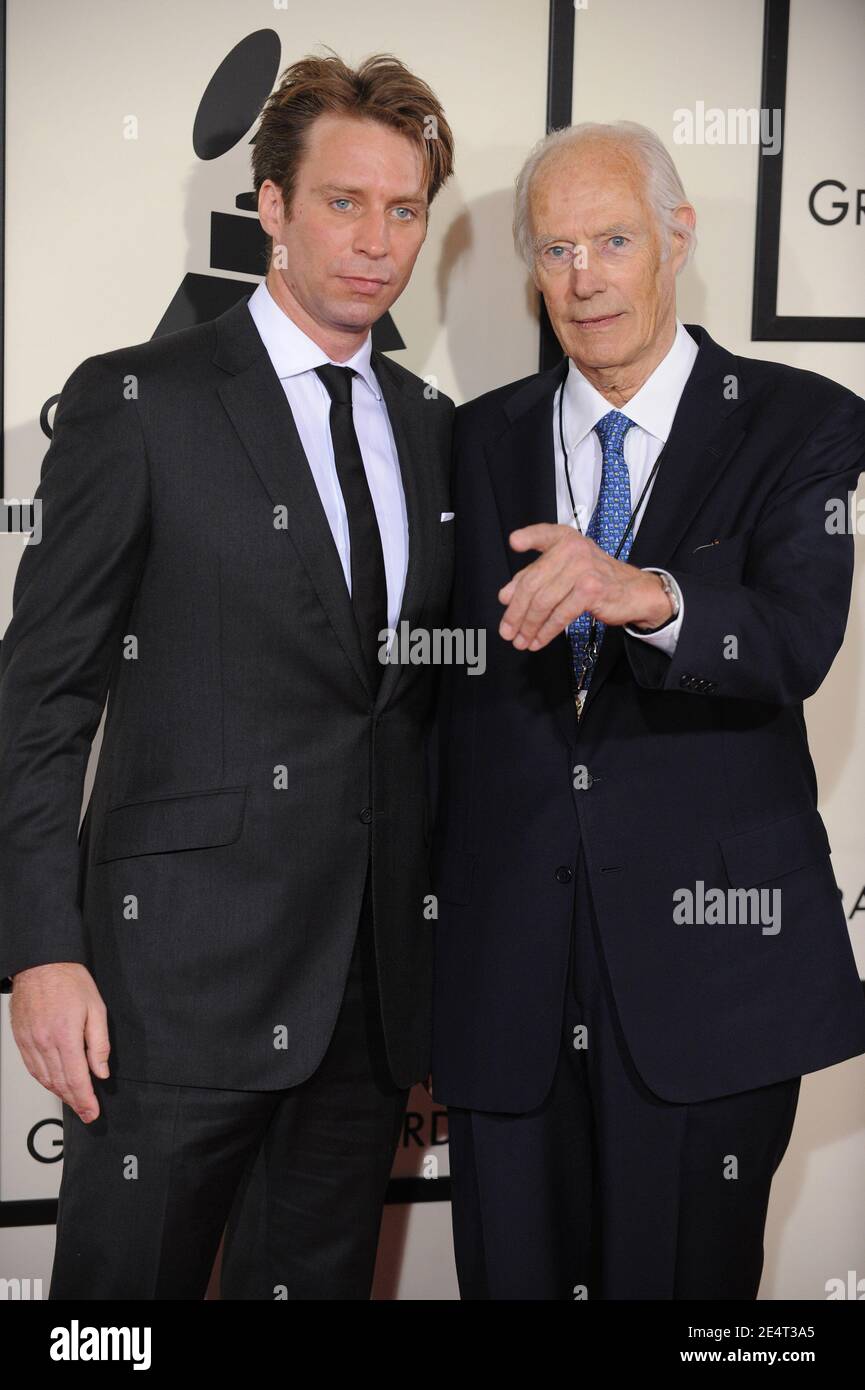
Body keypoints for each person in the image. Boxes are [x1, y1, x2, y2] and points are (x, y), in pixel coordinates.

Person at [0, 51, 455, 1300]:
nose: (375, 241)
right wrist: (40, 948)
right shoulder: (140, 401)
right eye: (342, 202)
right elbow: (39, 693)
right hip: (166, 991)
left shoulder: (429, 426)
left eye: (404, 209)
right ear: (270, 207)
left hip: (363, 1006)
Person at [431, 120, 865, 1300]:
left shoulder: (800, 420)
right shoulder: (472, 442)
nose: (583, 278)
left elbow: (793, 642)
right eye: (555, 249)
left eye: (613, 240)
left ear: (676, 237)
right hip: (506, 983)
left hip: (707, 982)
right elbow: (432, 707)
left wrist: (646, 594)